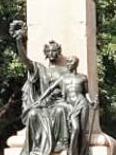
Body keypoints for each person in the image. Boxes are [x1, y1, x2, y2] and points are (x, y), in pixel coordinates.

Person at [9, 20, 72, 155]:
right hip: (43, 105)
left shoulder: (65, 71)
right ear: (45, 53)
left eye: (54, 51)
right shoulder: (40, 69)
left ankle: (62, 143)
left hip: (59, 103)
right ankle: (38, 147)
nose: (52, 53)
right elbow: (25, 60)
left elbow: (70, 91)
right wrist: (19, 41)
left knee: (60, 110)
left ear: (58, 52)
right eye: (49, 51)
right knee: (33, 114)